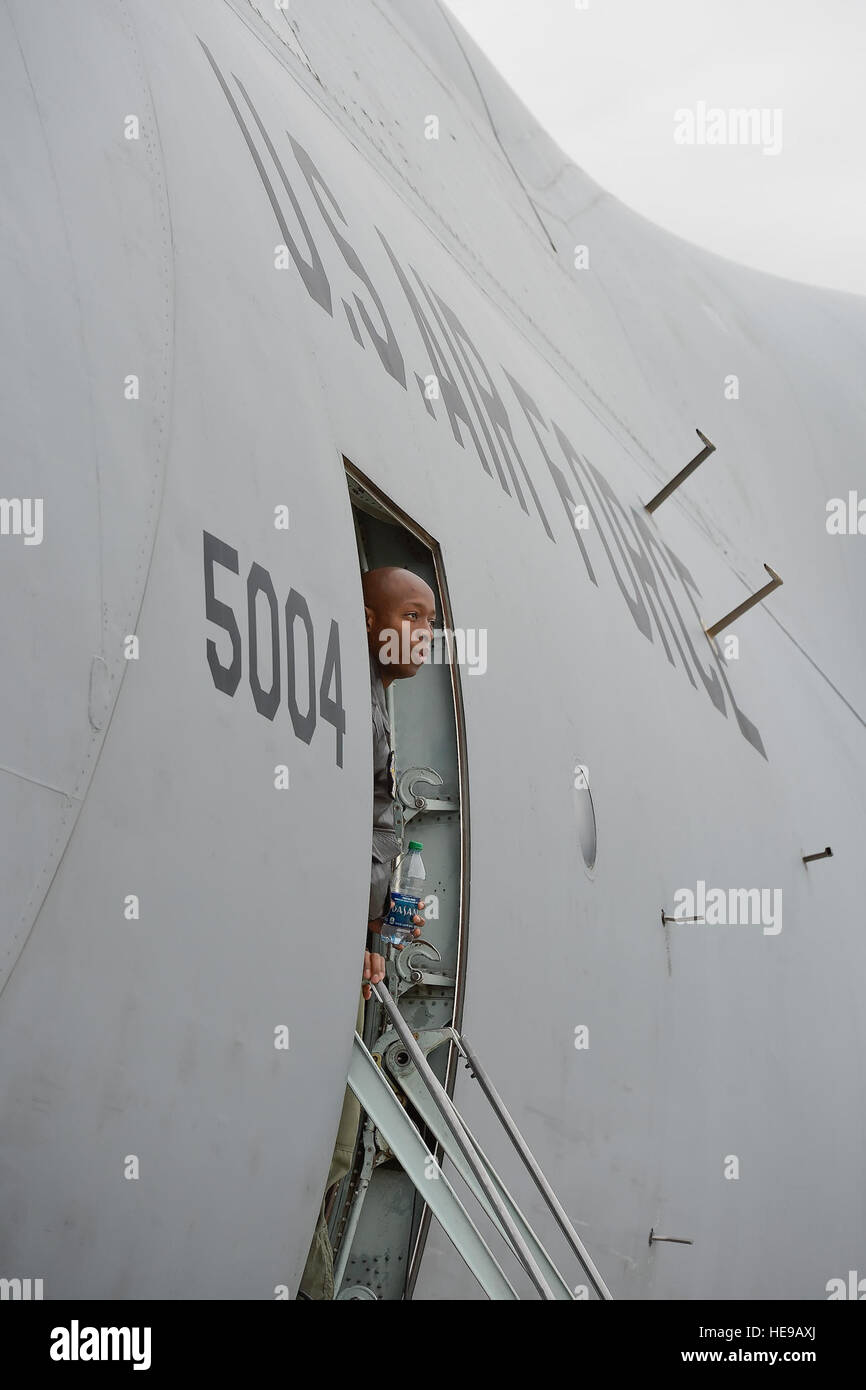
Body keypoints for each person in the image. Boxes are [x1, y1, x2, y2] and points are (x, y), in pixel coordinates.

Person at [297, 567, 437, 1299]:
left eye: (432, 622)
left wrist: (376, 931)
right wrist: (346, 931)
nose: (426, 635)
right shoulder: (347, 701)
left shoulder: (375, 703)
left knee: (341, 1148)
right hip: (327, 956)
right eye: (412, 616)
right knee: (329, 1148)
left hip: (354, 955)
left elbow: (376, 827)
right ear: (365, 618)